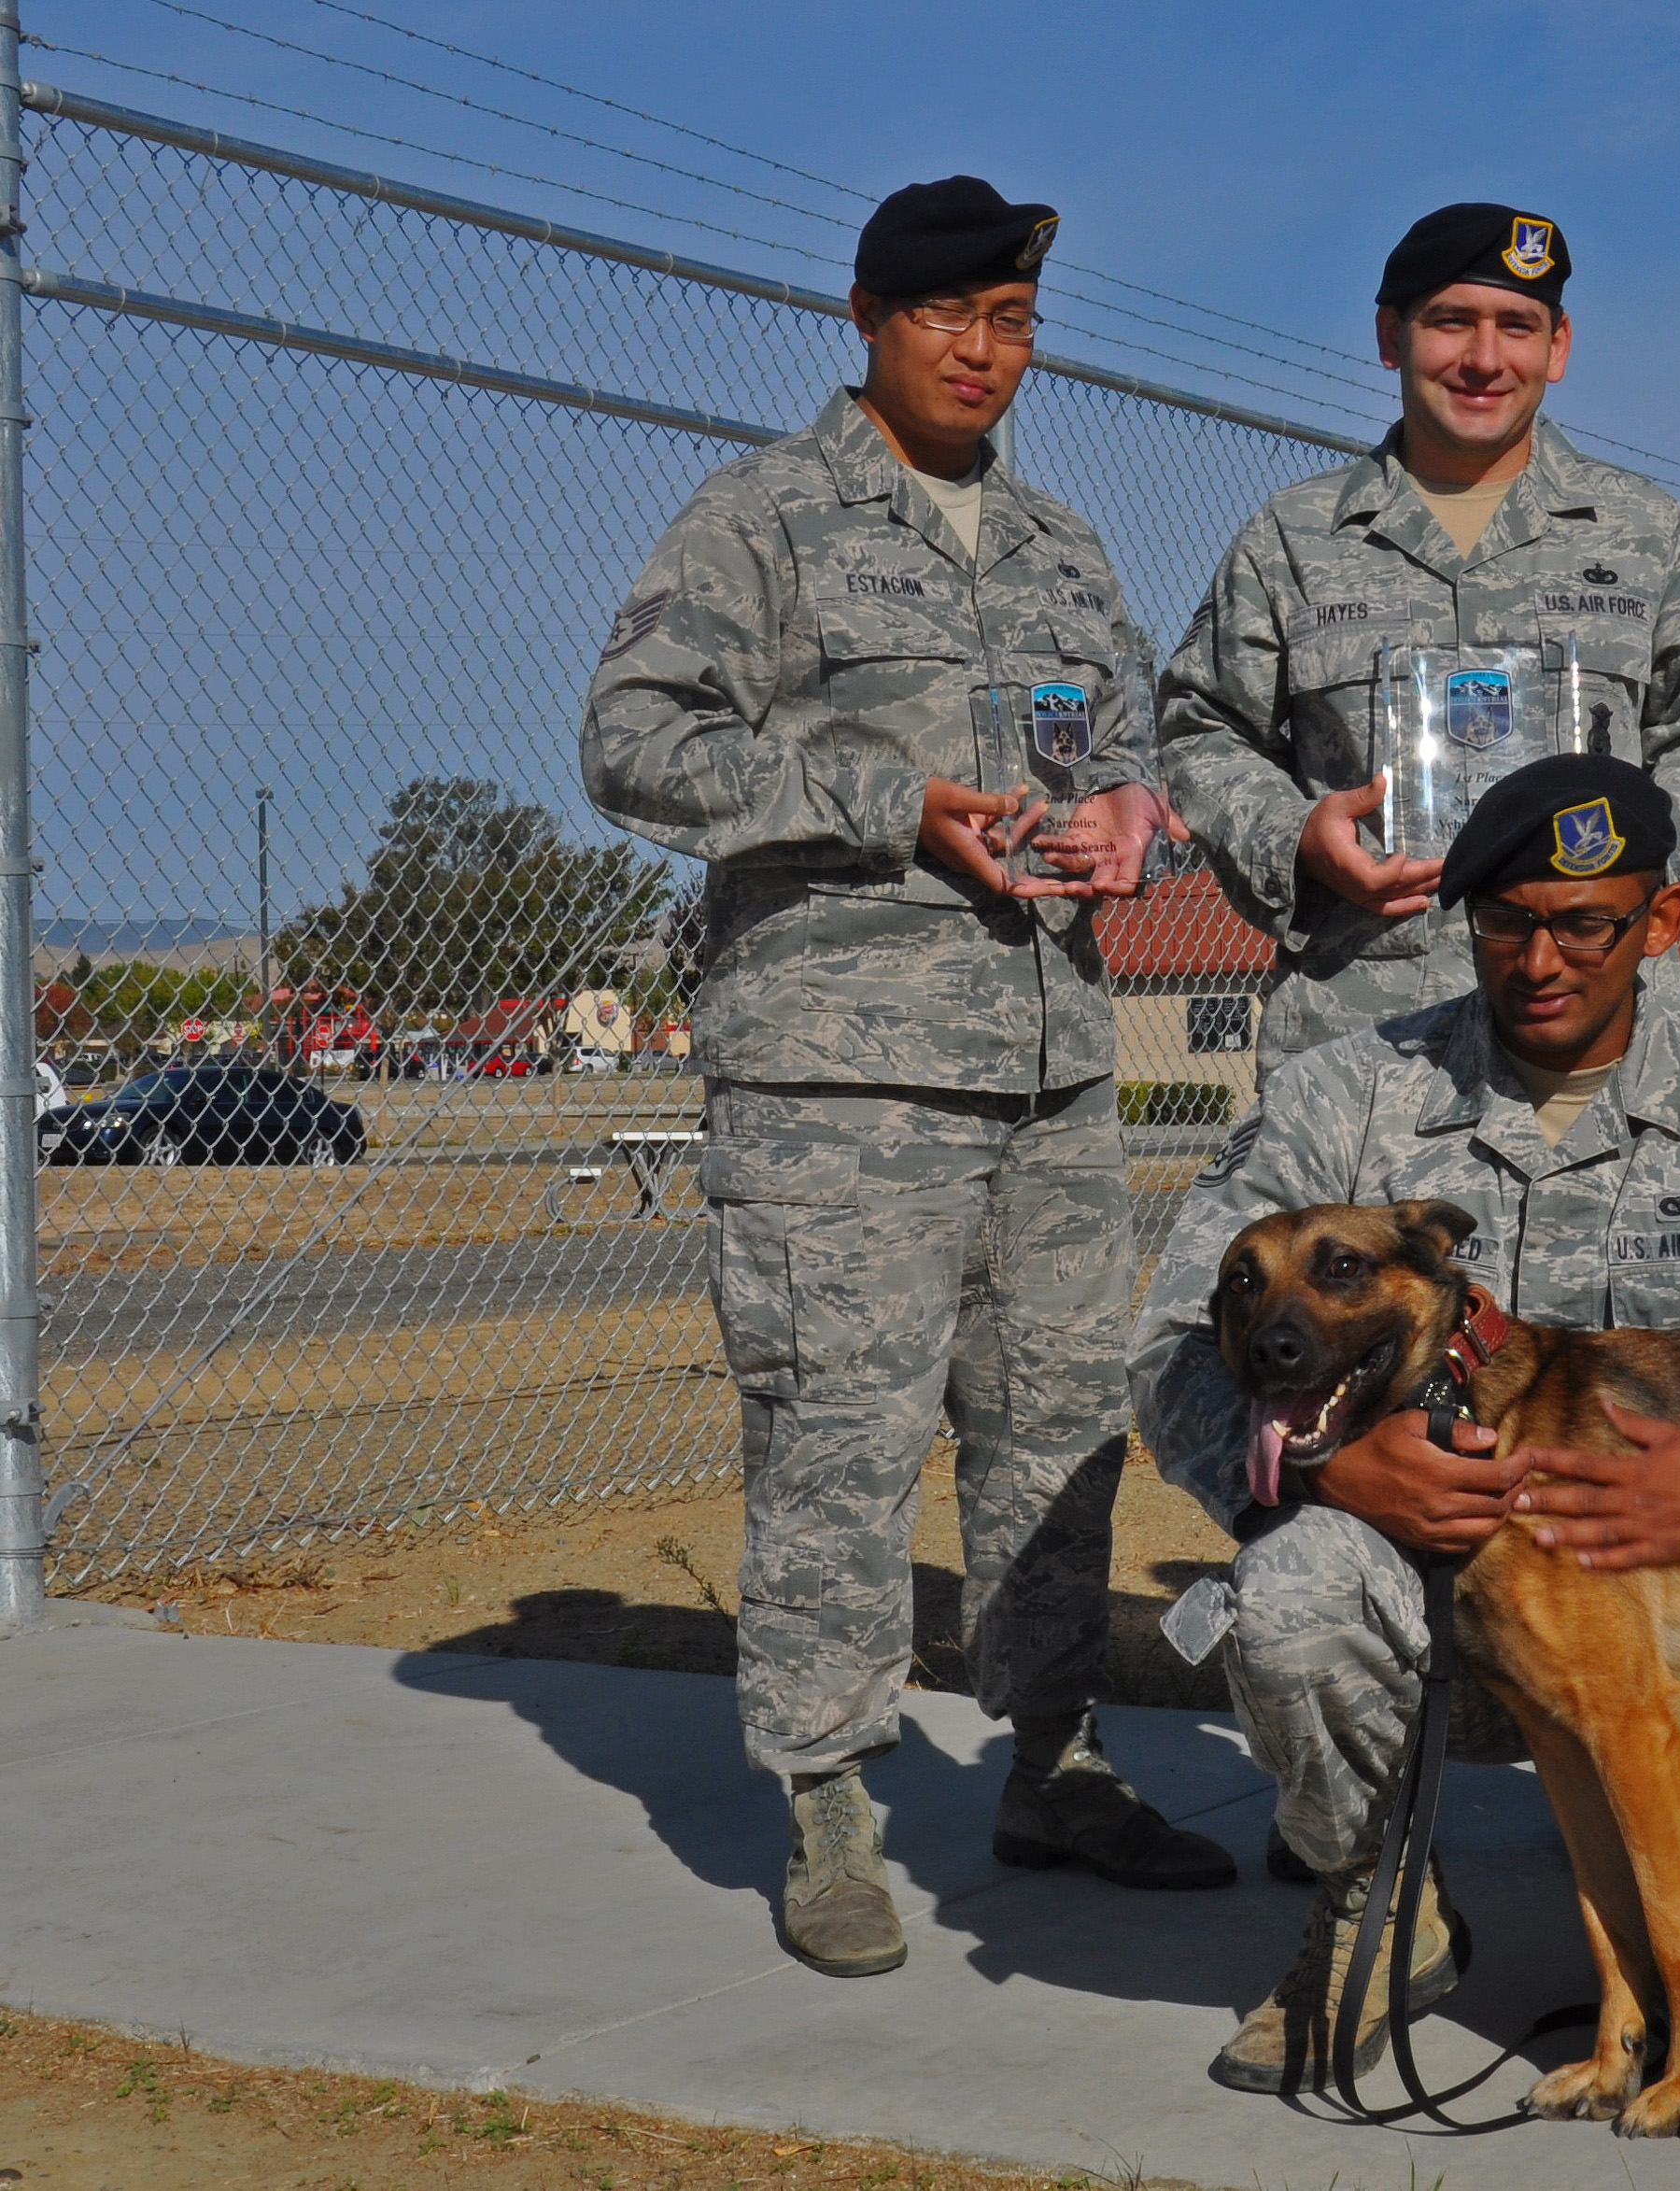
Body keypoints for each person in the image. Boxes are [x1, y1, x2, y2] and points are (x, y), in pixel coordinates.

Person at [1131, 755, 1680, 2101]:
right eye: (1506, 919)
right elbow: (1166, 1351)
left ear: (1660, 923)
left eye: (1584, 920)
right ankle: (1379, 1906)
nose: (1540, 955)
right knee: (1289, 1590)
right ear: (1467, 921)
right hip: (1418, 1608)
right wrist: (1336, 1467)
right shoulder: (1343, 1096)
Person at [581, 176, 1232, 1981]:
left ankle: (1056, 1764)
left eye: (1011, 319)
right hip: (837, 1082)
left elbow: (1126, 762)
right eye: (948, 314)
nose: (981, 350)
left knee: (1050, 1435)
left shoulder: (1058, 546)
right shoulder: (763, 519)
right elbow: (631, 743)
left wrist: (1131, 825)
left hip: (1047, 1062)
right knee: (841, 1442)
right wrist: (890, 798)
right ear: (866, 316)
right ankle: (829, 1802)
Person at [1155, 204, 1680, 1076]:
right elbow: (1201, 726)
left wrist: (1645, 865)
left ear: (1556, 347)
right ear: (1389, 336)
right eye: (1451, 322)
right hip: (1362, 1040)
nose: (1484, 359)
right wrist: (1295, 836)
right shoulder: (1293, 538)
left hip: (1599, 1028)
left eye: (1516, 326)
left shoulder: (1646, 535)